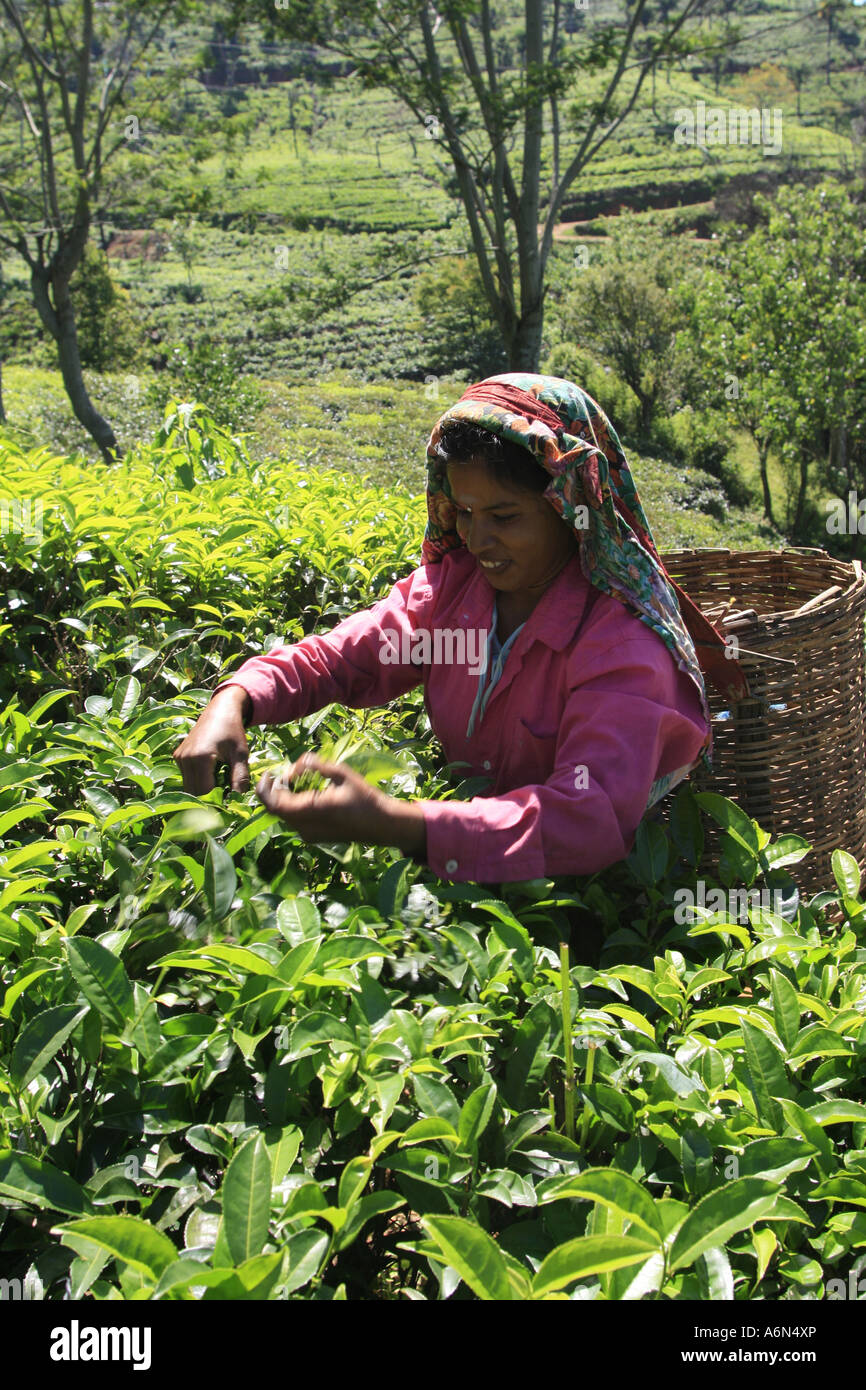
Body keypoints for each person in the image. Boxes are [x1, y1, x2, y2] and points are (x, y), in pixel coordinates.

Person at [173, 373, 745, 885]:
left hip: (600, 901)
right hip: (467, 864)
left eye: (504, 517)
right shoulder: (457, 593)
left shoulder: (620, 645)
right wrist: (238, 698)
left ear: (568, 507)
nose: (476, 539)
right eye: (464, 512)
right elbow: (347, 655)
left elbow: (587, 817)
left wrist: (403, 826)